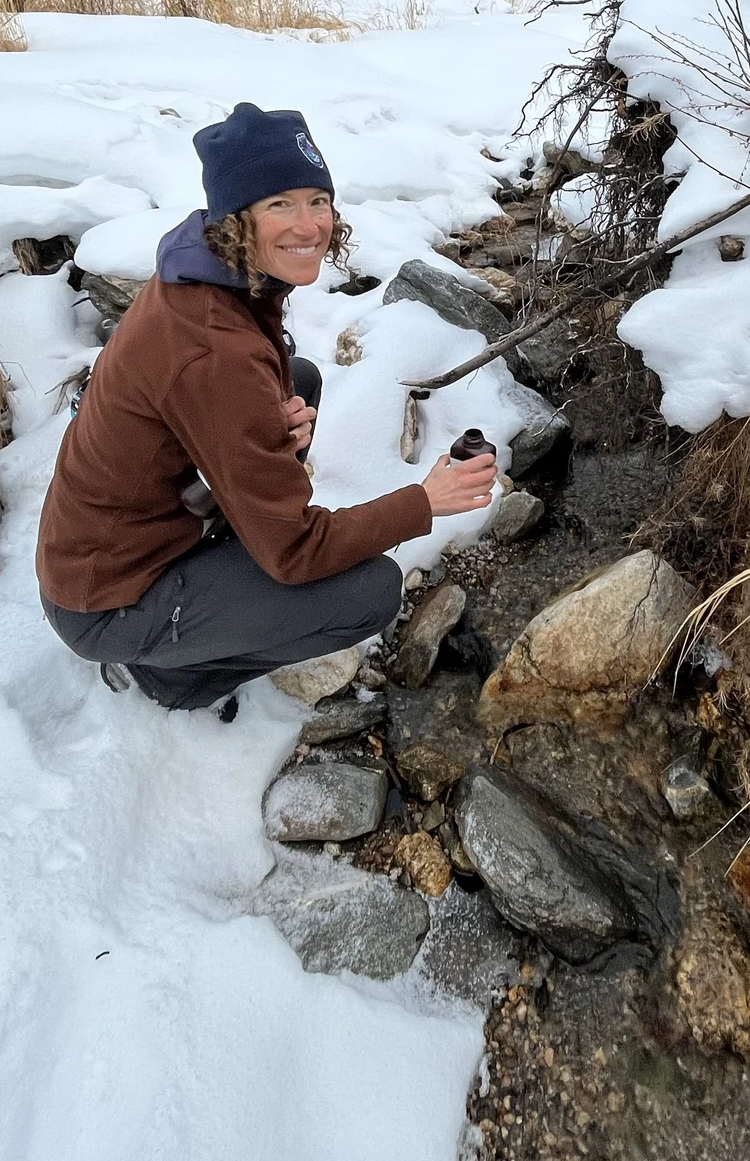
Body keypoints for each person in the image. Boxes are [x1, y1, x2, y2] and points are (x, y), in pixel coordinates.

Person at [36, 102, 496, 713]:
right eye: (280, 204)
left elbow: (217, 396)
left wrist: (257, 429)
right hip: (110, 599)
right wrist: (425, 501)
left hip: (123, 536)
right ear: (235, 220)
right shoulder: (213, 350)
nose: (309, 226)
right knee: (369, 593)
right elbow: (296, 553)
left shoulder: (203, 272)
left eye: (318, 200)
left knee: (298, 381)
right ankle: (172, 676)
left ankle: (225, 569)